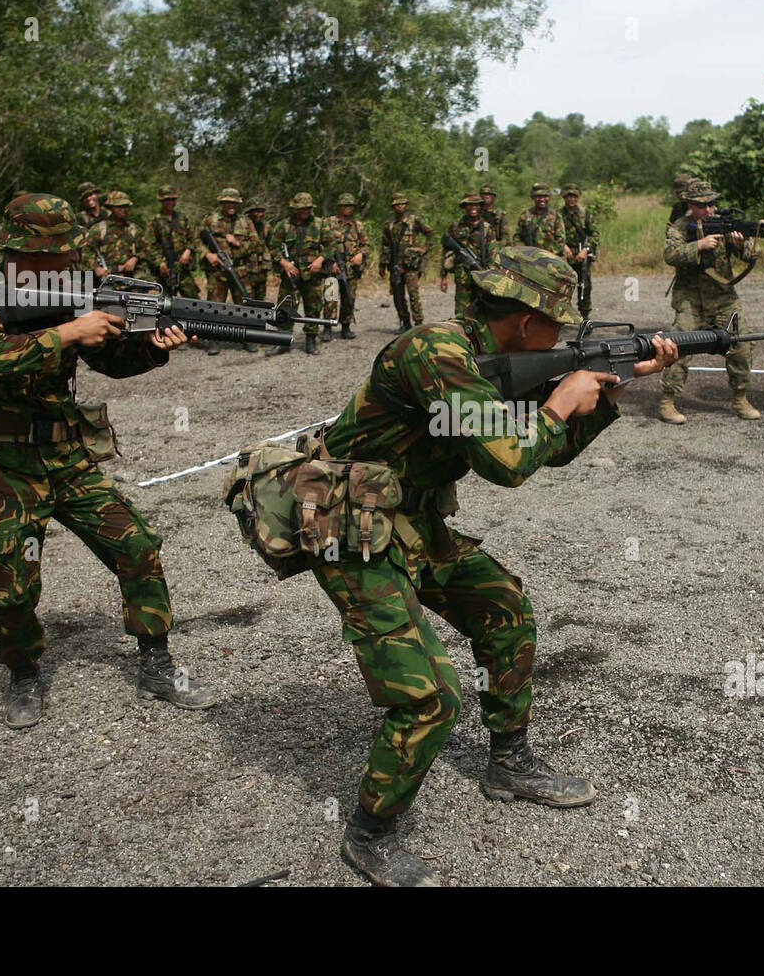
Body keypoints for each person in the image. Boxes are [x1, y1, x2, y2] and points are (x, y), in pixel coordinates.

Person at [303, 245, 678, 886]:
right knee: (429, 696)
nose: (561, 334)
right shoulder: (436, 353)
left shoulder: (485, 357)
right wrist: (560, 402)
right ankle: (371, 834)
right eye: (557, 323)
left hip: (409, 519)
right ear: (528, 323)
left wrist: (611, 392)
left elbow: (544, 453)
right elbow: (508, 464)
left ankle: (508, 762)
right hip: (348, 526)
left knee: (504, 607)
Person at [0, 193, 213, 729]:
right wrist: (70, 331)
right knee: (10, 576)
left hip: (68, 457)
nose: (66, 262)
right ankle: (22, 673)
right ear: (19, 251)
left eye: (69, 252)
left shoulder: (74, 292)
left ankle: (156, 661)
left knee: (136, 546)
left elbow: (111, 363)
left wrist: (155, 346)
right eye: (54, 253)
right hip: (7, 461)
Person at [659, 180, 762, 422]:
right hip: (690, 301)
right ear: (690, 205)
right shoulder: (680, 227)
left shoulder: (724, 224)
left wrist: (741, 244)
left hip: (724, 299)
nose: (708, 210)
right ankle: (667, 400)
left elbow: (754, 253)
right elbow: (670, 254)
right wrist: (699, 245)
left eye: (711, 204)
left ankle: (740, 398)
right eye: (701, 205)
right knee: (678, 346)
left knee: (741, 346)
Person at [270, 192, 335, 355]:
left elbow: (330, 246)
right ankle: (282, 341)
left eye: (308, 208)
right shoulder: (283, 225)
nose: (305, 211)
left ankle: (311, 340)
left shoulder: (320, 224)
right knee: (285, 306)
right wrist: (283, 263)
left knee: (313, 306)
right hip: (290, 273)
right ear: (294, 209)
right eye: (301, 208)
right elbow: (273, 247)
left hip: (312, 273)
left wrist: (320, 260)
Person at [198, 187, 253, 355]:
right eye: (228, 202)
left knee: (244, 304)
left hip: (240, 269)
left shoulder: (246, 222)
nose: (231, 206)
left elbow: (256, 244)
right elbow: (196, 240)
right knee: (214, 306)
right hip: (217, 271)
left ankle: (247, 338)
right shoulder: (209, 220)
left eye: (234, 203)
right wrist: (207, 254)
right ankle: (213, 340)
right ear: (221, 203)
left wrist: (238, 243)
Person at [379, 193, 435, 331]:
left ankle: (418, 322)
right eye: (397, 204)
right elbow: (385, 245)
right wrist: (382, 265)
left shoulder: (413, 221)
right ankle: (405, 322)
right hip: (395, 265)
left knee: (413, 293)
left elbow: (431, 233)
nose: (400, 207)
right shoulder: (389, 225)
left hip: (411, 265)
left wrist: (423, 249)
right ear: (393, 207)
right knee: (398, 296)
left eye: (403, 204)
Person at [439, 193, 493, 317]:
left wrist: (490, 276)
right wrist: (443, 276)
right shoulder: (455, 226)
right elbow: (445, 251)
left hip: (481, 276)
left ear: (480, 206)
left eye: (476, 205)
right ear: (464, 206)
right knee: (461, 313)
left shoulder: (487, 228)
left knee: (483, 312)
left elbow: (493, 254)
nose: (473, 208)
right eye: (469, 205)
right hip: (462, 277)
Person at [326, 193, 369, 339]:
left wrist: (361, 255)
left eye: (350, 206)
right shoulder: (329, 223)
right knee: (330, 298)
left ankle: (346, 326)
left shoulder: (357, 226)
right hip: (332, 268)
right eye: (344, 206)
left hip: (350, 269)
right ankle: (327, 327)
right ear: (339, 207)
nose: (347, 209)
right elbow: (321, 244)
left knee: (349, 297)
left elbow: (366, 245)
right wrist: (330, 262)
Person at [144, 185, 198, 300]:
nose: (170, 202)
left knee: (193, 301)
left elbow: (193, 238)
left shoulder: (183, 218)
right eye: (166, 200)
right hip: (165, 271)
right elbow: (150, 246)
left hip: (183, 269)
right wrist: (160, 263)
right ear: (161, 201)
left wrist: (188, 251)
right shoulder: (154, 221)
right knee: (165, 304)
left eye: (172, 199)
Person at [558, 183, 599, 320]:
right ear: (564, 197)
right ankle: (560, 316)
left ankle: (584, 317)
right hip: (564, 255)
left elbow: (595, 234)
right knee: (561, 286)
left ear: (578, 197)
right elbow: (553, 234)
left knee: (584, 286)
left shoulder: (584, 214)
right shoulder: (557, 214)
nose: (572, 199)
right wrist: (562, 245)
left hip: (581, 255)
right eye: (569, 196)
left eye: (574, 196)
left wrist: (585, 250)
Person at [88, 191, 141, 278]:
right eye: (119, 207)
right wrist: (96, 267)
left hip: (131, 278)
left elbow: (146, 250)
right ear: (111, 208)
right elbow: (87, 251)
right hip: (105, 278)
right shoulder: (99, 229)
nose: (123, 210)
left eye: (125, 206)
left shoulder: (134, 229)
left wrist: (135, 258)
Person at [514, 183, 569, 257]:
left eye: (545, 196)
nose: (542, 199)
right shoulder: (525, 216)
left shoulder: (555, 216)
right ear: (533, 197)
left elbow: (561, 239)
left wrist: (547, 254)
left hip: (550, 259)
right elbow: (517, 236)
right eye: (538, 197)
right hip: (528, 258)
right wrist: (523, 252)